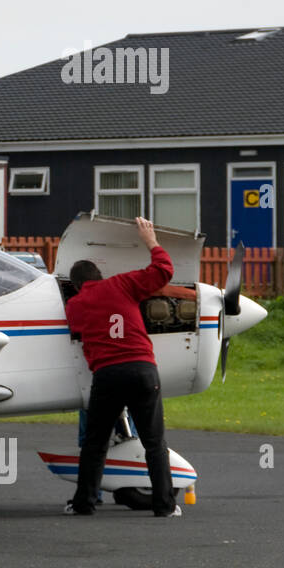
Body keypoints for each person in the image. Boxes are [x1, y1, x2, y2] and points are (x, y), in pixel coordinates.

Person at [64, 217, 179, 517]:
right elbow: (164, 271)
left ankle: (84, 503)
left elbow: (77, 331)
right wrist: (151, 240)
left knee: (95, 443)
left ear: (76, 285)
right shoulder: (123, 283)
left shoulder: (75, 304)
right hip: (142, 369)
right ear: (100, 275)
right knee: (154, 442)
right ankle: (164, 506)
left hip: (108, 375)